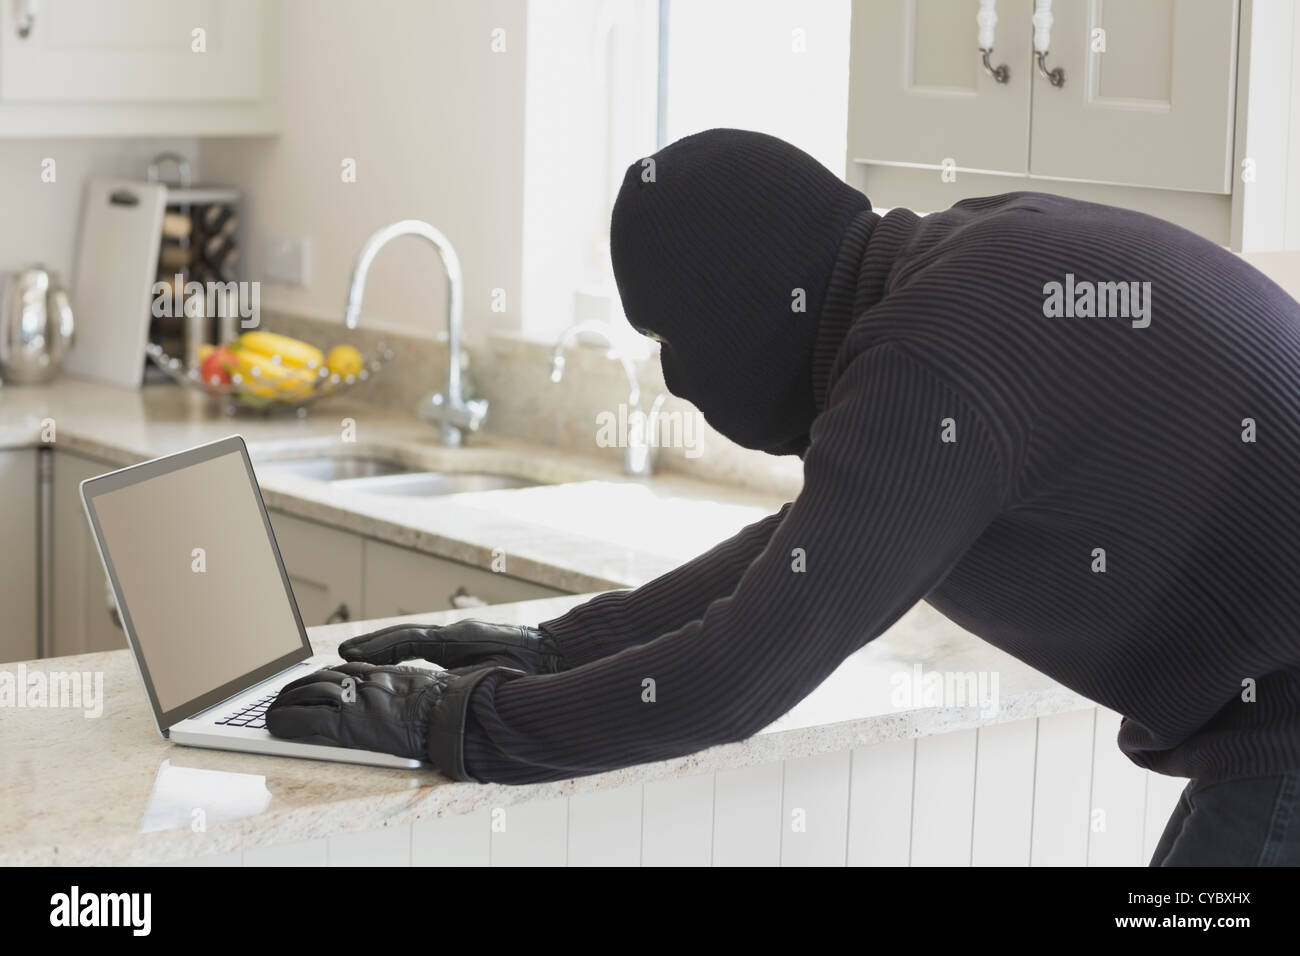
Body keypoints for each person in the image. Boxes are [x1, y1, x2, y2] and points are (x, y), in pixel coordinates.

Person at [267, 128, 1300, 866]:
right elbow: (825, 542)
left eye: (668, 336)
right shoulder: (947, 265)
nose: (675, 377)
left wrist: (453, 722)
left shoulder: (931, 356)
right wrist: (554, 648)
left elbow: (733, 678)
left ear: (741, 300)